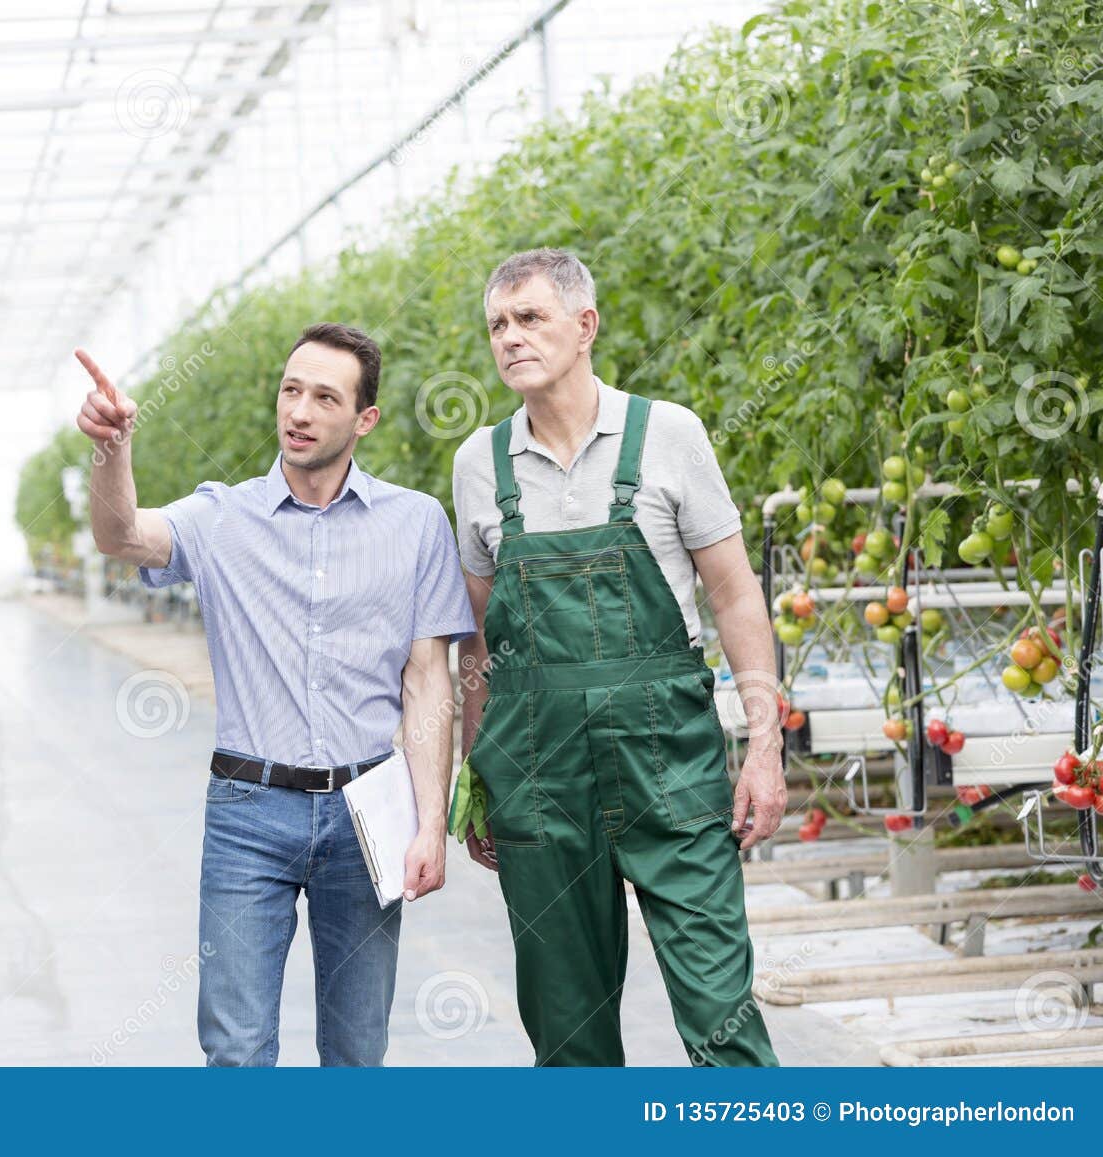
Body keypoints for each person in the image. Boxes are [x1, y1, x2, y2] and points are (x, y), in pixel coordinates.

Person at [75, 323, 475, 1067]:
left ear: (365, 419)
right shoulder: (222, 517)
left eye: (326, 396)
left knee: (356, 1052)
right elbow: (122, 534)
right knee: (235, 1048)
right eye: (292, 389)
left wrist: (429, 821)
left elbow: (427, 686)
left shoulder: (415, 524)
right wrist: (112, 448)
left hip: (367, 811)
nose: (299, 410)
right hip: (247, 813)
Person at [449, 248, 784, 1067]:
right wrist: (476, 775)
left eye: (530, 317)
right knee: (568, 1034)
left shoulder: (667, 435)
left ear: (585, 324)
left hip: (668, 761)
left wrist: (765, 747)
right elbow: (484, 642)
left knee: (720, 1012)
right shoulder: (478, 464)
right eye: (498, 324)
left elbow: (737, 597)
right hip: (538, 776)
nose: (511, 338)